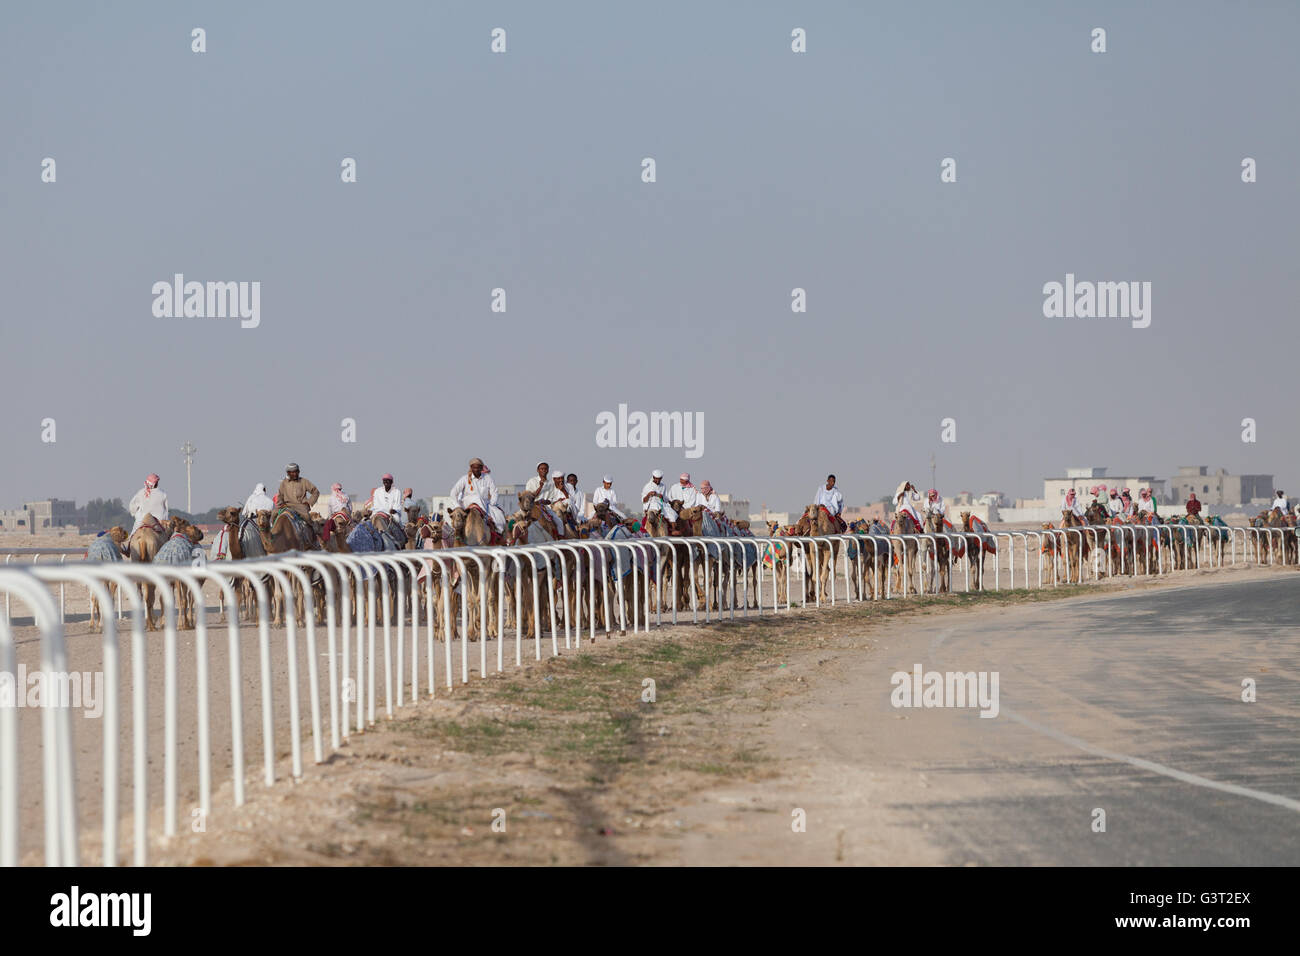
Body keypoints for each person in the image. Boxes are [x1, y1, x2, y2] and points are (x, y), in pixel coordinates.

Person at [449, 457, 504, 532]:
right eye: (474, 468)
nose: (476, 470)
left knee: (498, 515)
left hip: (485, 504)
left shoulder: (487, 478)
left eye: (478, 468)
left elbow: (494, 492)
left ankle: (498, 531)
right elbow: (453, 492)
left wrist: (492, 503)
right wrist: (457, 506)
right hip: (467, 503)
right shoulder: (464, 479)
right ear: (471, 468)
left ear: (481, 468)